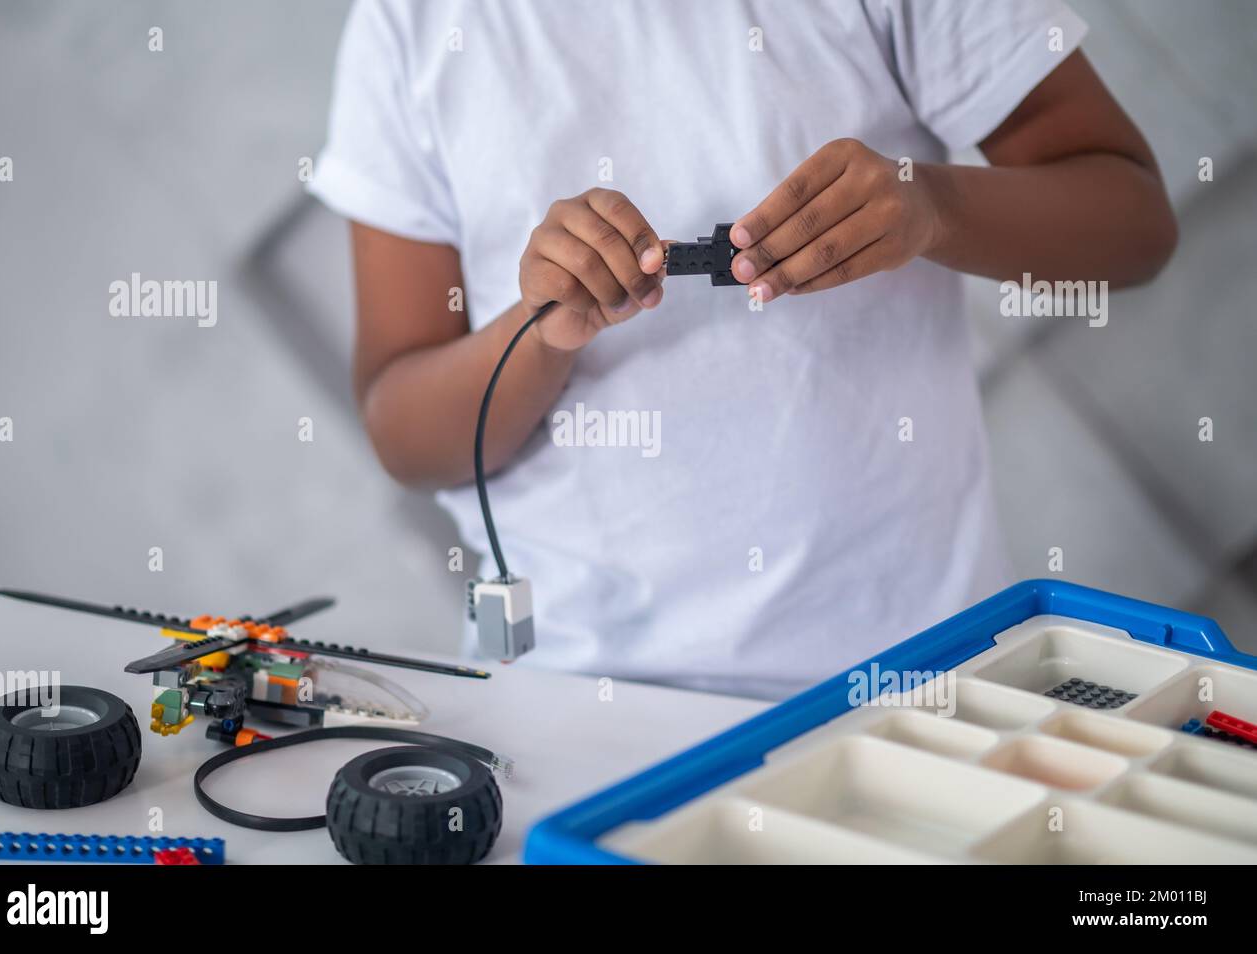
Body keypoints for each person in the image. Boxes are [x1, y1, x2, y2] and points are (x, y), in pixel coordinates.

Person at [310, 0, 1176, 699]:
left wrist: (931, 207)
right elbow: (405, 430)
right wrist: (538, 333)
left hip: (917, 676)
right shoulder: (409, 26)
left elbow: (1135, 222)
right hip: (578, 698)